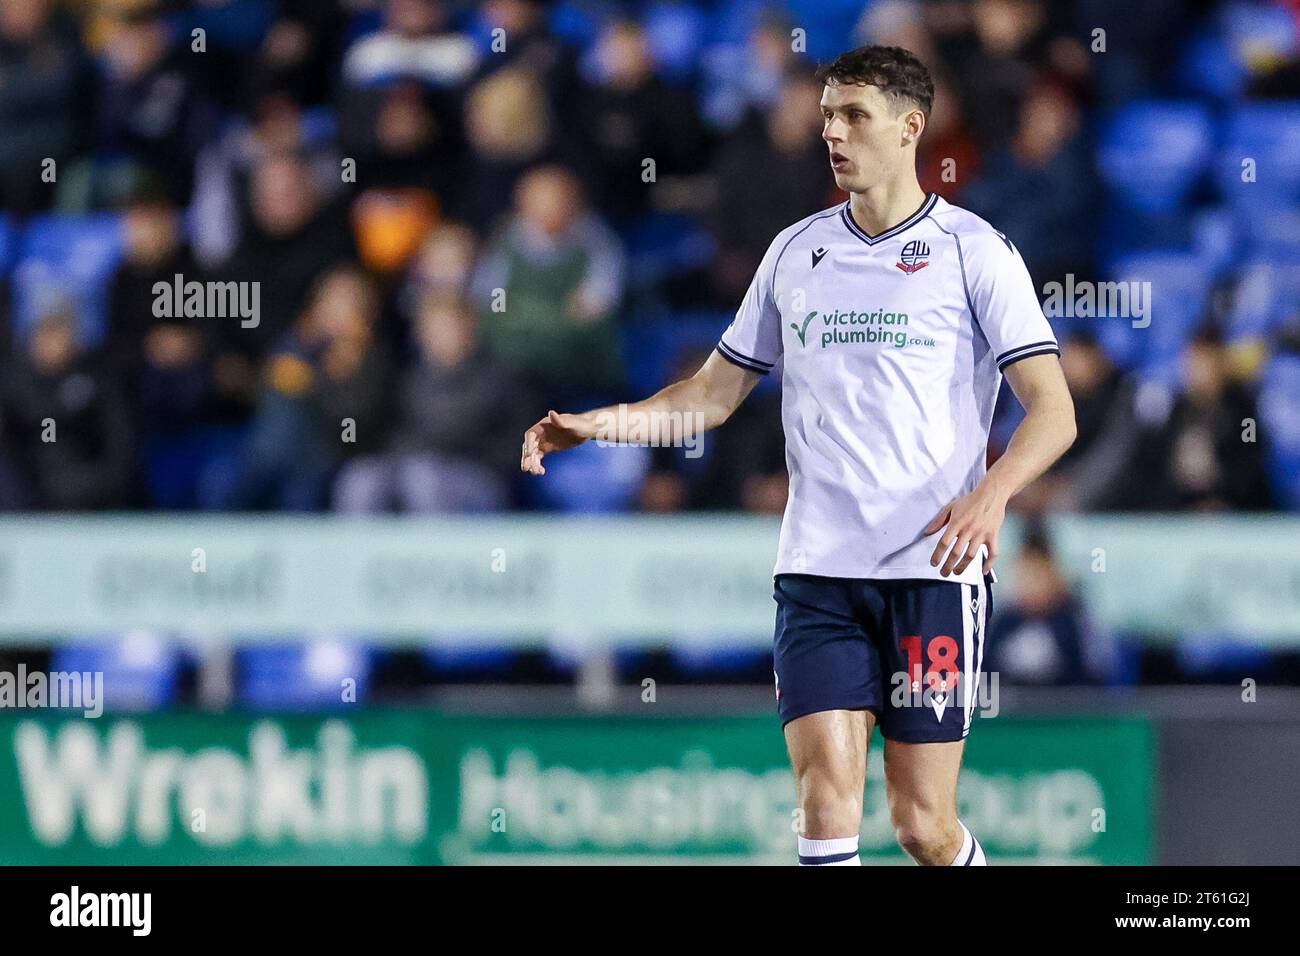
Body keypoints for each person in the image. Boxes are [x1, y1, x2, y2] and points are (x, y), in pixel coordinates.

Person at [520, 46, 1077, 866]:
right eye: (826, 115)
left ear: (910, 128)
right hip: (817, 573)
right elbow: (711, 396)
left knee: (922, 826)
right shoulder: (794, 253)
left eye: (854, 115)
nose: (833, 132)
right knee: (824, 809)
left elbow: (1055, 412)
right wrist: (600, 424)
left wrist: (992, 496)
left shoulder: (974, 252)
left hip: (932, 571)